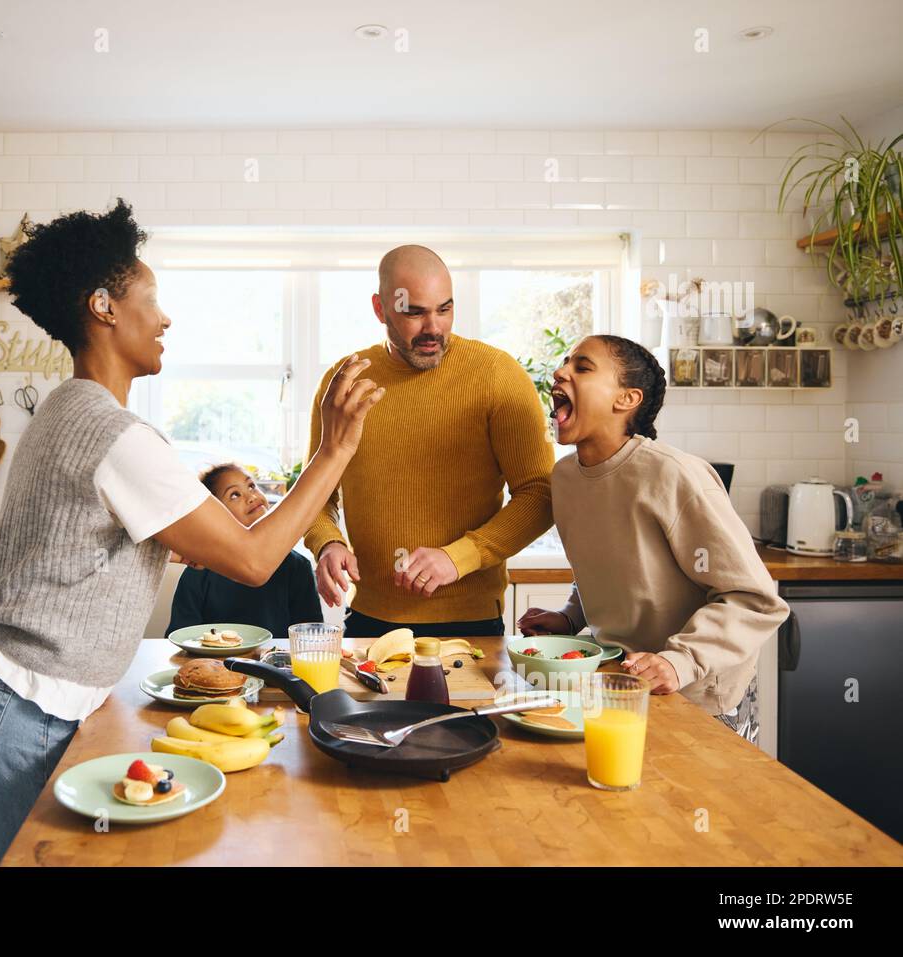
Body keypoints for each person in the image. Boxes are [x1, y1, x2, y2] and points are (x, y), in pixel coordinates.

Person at [0, 200, 383, 865]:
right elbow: (255, 558)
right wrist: (335, 450)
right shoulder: (115, 436)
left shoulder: (69, 408)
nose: (166, 316)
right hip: (14, 711)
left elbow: (157, 539)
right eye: (152, 297)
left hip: (1, 699)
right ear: (104, 307)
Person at [517, 334, 788, 741]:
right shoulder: (567, 478)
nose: (560, 372)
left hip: (701, 698)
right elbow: (608, 569)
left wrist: (679, 662)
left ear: (626, 399)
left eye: (582, 367)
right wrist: (571, 616)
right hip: (622, 685)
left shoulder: (674, 475)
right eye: (565, 363)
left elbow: (753, 599)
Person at [305, 245, 554, 639]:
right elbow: (316, 492)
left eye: (444, 309)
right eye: (415, 312)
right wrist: (327, 543)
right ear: (380, 308)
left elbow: (540, 494)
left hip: (469, 623)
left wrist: (458, 558)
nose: (433, 328)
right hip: (368, 621)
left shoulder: (496, 374)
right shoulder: (346, 381)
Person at [167, 463, 322, 636]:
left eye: (251, 486)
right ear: (215, 517)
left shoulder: (298, 566)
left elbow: (311, 635)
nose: (251, 496)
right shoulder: (198, 570)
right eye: (234, 495)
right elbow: (180, 635)